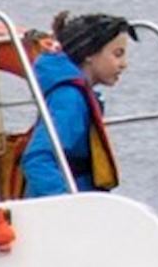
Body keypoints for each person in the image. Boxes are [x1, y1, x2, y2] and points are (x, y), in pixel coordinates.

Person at [16, 11, 131, 195]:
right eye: (117, 54)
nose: (124, 64)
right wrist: (67, 206)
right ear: (89, 55)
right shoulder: (70, 99)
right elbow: (38, 159)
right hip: (66, 204)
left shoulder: (72, 94)